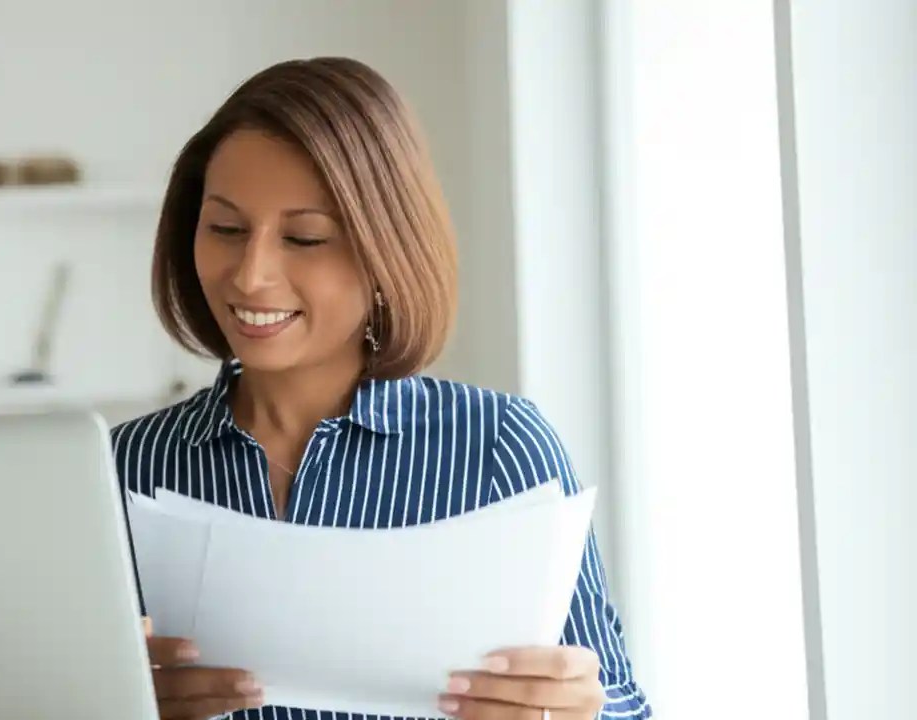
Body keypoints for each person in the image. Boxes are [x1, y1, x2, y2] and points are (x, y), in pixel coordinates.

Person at [110, 57, 651, 720]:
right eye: (225, 229)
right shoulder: (119, 470)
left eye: (305, 237)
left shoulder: (498, 448)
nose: (250, 275)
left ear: (386, 250)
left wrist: (573, 711)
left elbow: (623, 702)